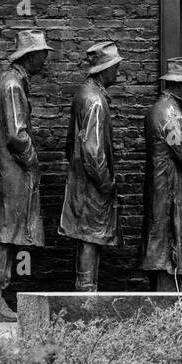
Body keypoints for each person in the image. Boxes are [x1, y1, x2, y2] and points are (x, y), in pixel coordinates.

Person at [0, 29, 51, 322]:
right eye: (43, 53)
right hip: (10, 175)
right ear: (30, 56)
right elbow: (18, 135)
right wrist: (33, 163)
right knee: (3, 240)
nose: (45, 59)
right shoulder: (13, 86)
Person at [59, 40, 122, 291]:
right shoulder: (95, 101)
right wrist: (106, 183)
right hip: (91, 184)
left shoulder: (84, 94)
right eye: (115, 67)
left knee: (89, 236)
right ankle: (86, 292)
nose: (118, 71)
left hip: (82, 180)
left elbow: (69, 145)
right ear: (103, 70)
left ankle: (86, 291)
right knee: (90, 237)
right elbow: (93, 151)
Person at [139, 56, 182, 291]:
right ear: (177, 84)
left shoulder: (163, 109)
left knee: (165, 250)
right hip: (169, 194)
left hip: (165, 190)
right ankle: (168, 311)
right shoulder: (170, 116)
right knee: (169, 253)